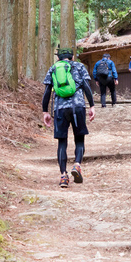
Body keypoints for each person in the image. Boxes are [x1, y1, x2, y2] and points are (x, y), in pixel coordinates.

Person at [42, 48, 96, 188]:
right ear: (72, 57)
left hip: (59, 109)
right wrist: (91, 106)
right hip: (77, 106)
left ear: (58, 59)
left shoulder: (53, 68)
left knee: (62, 142)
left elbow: (47, 91)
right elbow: (86, 86)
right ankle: (77, 165)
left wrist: (45, 111)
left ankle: (63, 176)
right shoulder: (79, 66)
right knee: (79, 139)